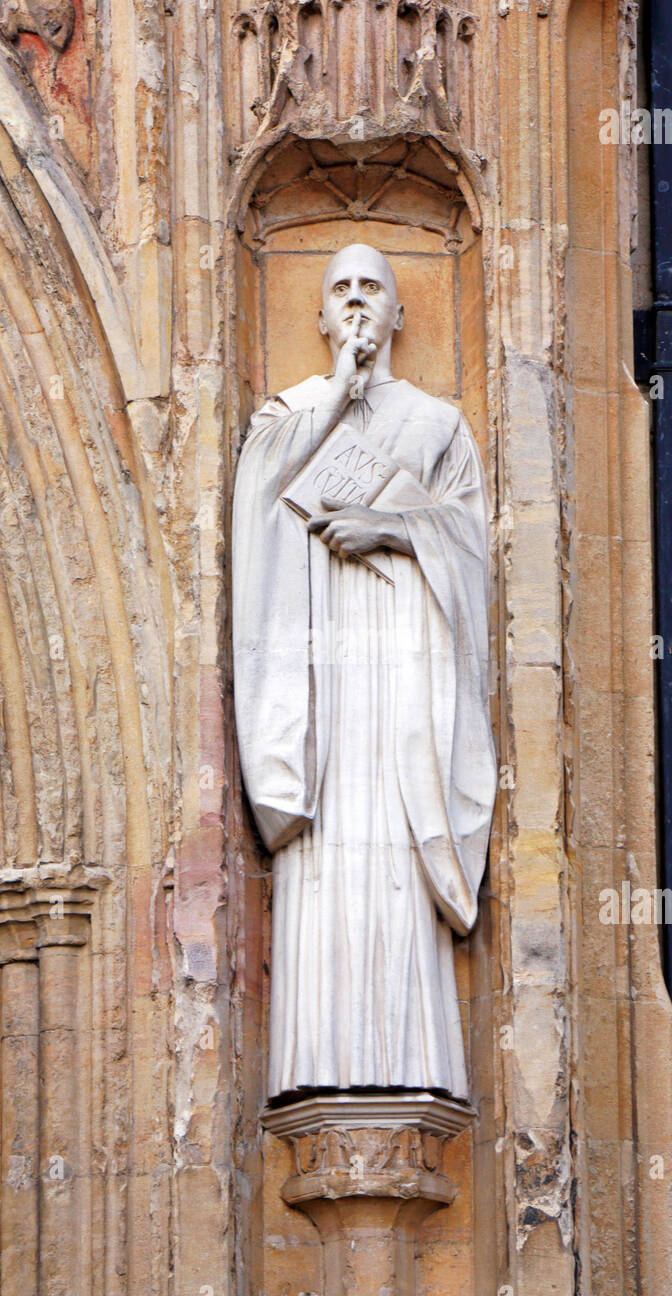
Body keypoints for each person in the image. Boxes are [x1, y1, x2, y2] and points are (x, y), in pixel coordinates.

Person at [232, 243, 496, 1101]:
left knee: (392, 833)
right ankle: (319, 1067)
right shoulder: (287, 413)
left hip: (403, 669)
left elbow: (472, 554)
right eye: (339, 289)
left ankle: (411, 1066)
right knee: (328, 843)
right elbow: (255, 509)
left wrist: (392, 529)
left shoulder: (436, 424)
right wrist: (336, 395)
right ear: (318, 318)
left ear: (399, 314)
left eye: (371, 289)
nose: (355, 303)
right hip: (316, 680)